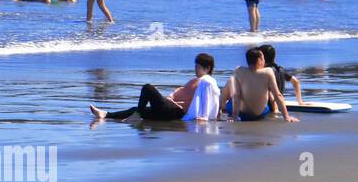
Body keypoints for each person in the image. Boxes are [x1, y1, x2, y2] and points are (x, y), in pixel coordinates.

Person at [91, 53, 220, 122]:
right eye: (195, 66)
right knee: (137, 108)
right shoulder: (204, 82)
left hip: (172, 111)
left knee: (148, 88)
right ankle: (105, 114)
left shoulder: (205, 82)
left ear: (207, 68)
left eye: (197, 66)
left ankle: (137, 115)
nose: (195, 69)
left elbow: (205, 102)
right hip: (170, 111)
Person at [221, 48, 297, 122]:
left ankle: (222, 107)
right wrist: (286, 117)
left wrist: (235, 117)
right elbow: (278, 95)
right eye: (263, 58)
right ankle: (275, 109)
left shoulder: (239, 70)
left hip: (243, 114)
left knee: (230, 81)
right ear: (259, 60)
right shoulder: (268, 72)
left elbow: (236, 95)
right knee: (266, 88)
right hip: (261, 113)